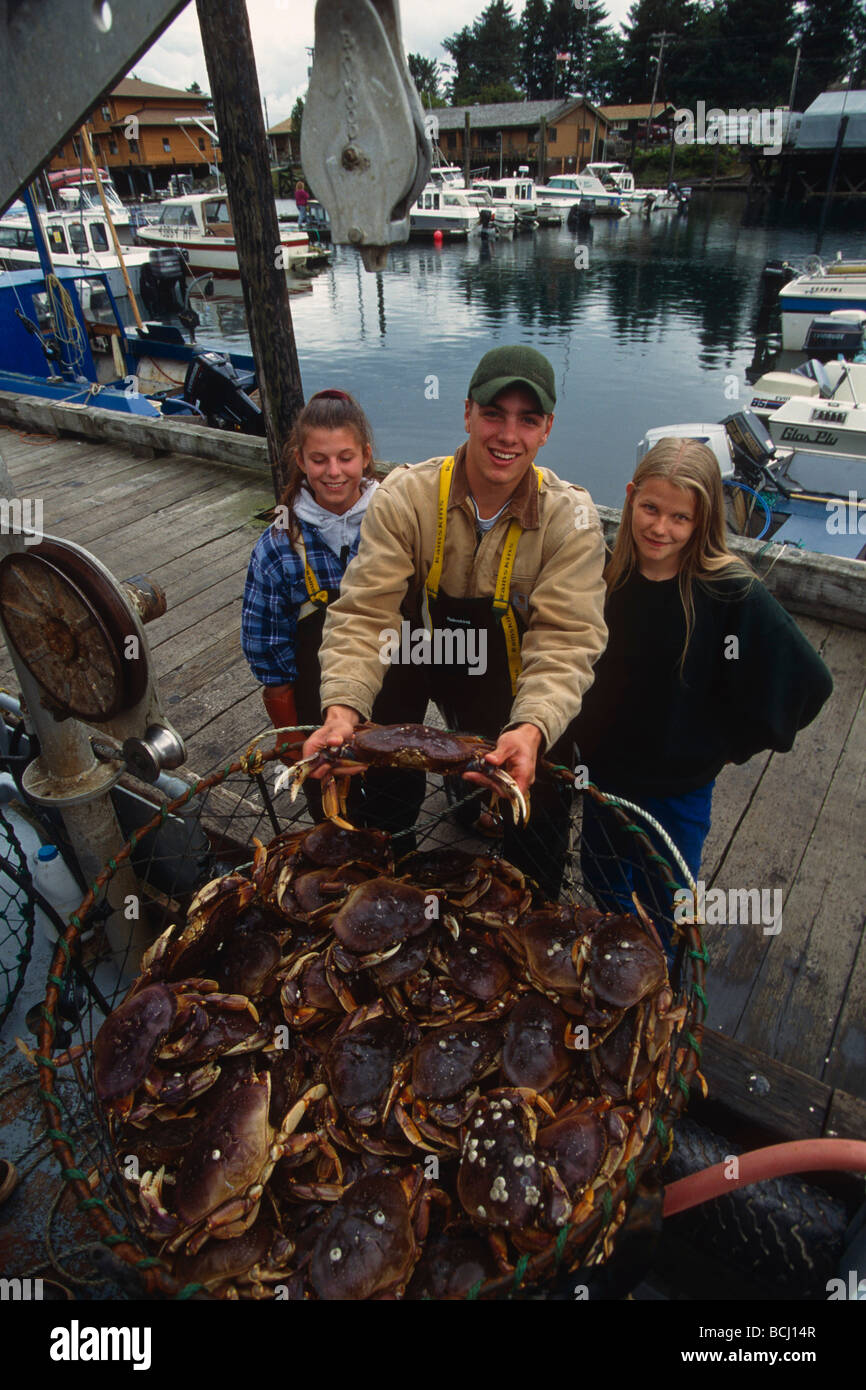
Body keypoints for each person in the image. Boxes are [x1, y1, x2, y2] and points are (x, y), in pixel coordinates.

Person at [301, 345, 609, 897]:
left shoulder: (573, 520)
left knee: (542, 767)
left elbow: (566, 643)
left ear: (547, 431)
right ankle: (381, 866)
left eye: (527, 420)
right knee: (349, 710)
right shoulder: (407, 496)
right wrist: (343, 707)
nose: (507, 435)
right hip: (421, 654)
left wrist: (531, 726)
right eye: (493, 414)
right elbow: (365, 612)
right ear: (467, 413)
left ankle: (528, 893)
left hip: (507, 673)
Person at [573, 437, 833, 954]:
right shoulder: (604, 575)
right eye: (650, 508)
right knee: (601, 885)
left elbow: (810, 683)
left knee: (669, 903)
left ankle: (665, 988)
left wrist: (728, 746)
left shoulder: (731, 592)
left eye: (680, 518)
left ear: (703, 519)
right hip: (603, 778)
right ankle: (619, 969)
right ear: (628, 498)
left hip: (680, 791)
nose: (660, 527)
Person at [241, 388, 424, 831]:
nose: (334, 472)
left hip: (398, 710)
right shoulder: (278, 549)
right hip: (318, 721)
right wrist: (293, 743)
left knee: (400, 811)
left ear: (365, 456)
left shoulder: (405, 523)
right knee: (334, 823)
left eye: (345, 457)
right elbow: (273, 671)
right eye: (319, 460)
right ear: (301, 461)